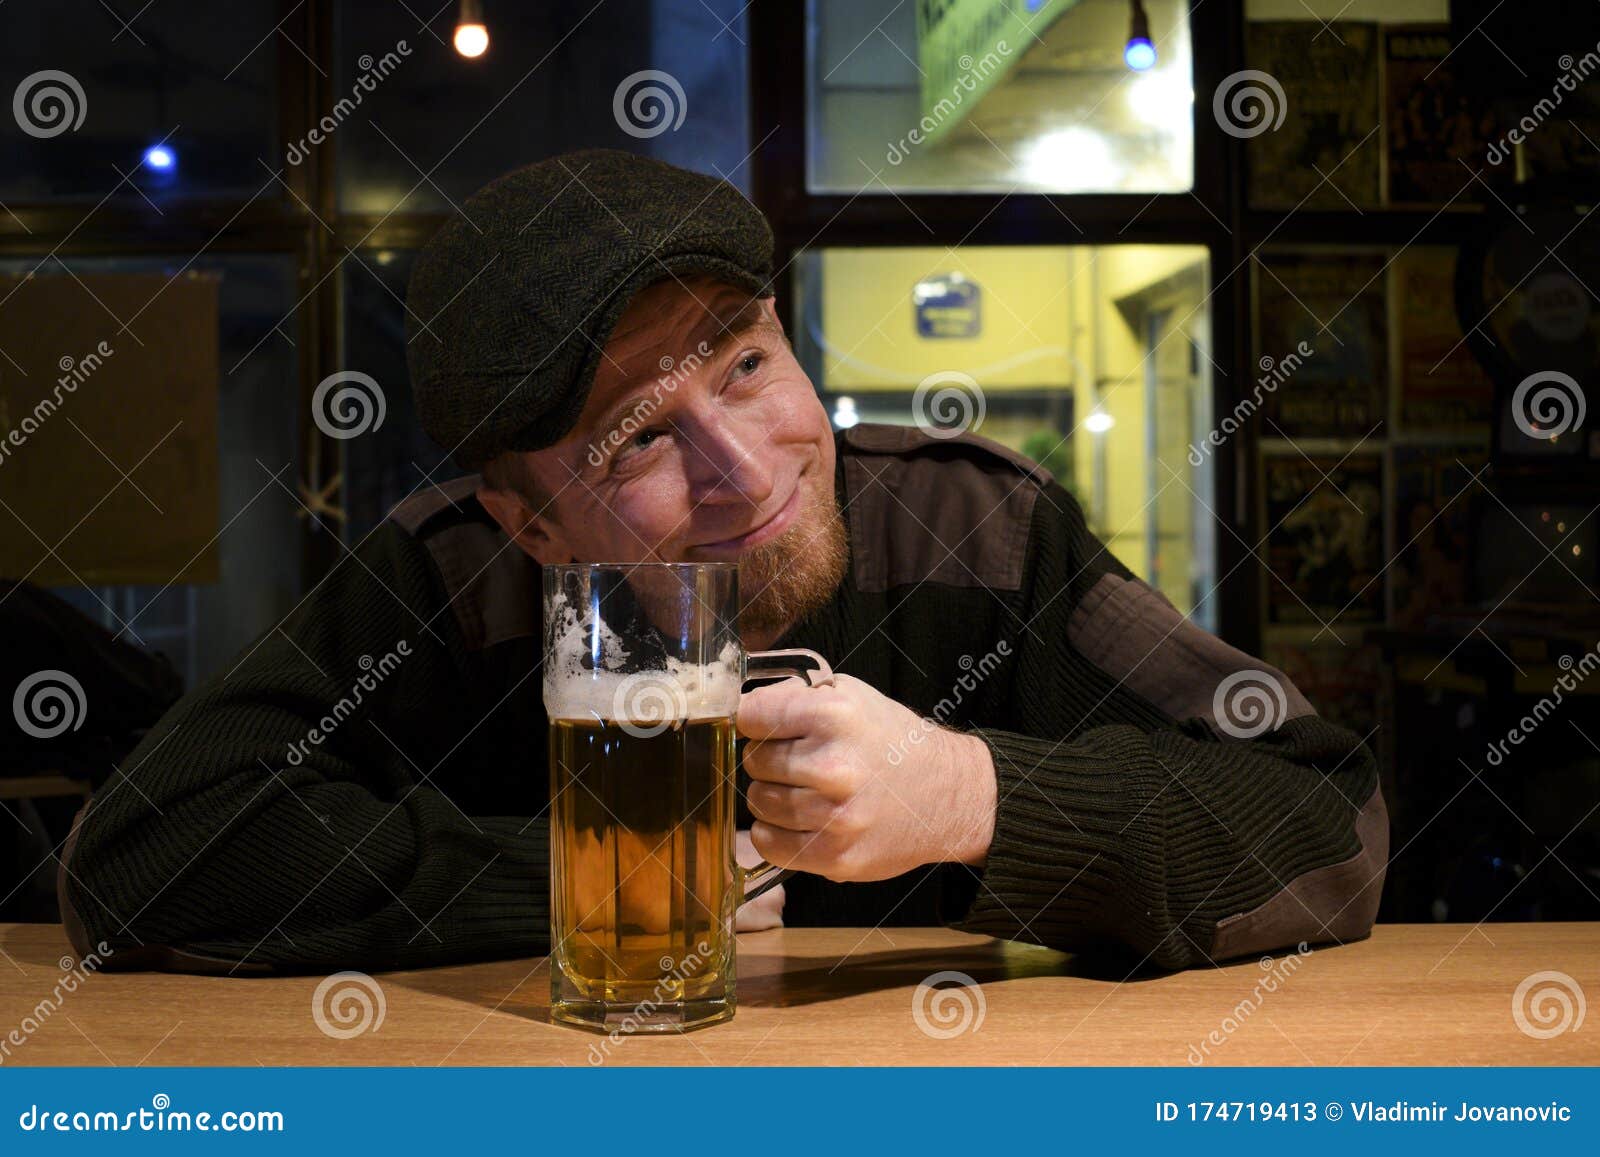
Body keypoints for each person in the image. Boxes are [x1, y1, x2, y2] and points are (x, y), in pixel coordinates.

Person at [58, 150, 1386, 976]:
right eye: (638, 439)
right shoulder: (448, 579)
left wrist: (975, 792)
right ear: (529, 523)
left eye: (748, 362)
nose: (748, 470)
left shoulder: (978, 529)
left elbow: (1333, 819)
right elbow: (143, 853)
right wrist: (608, 875)